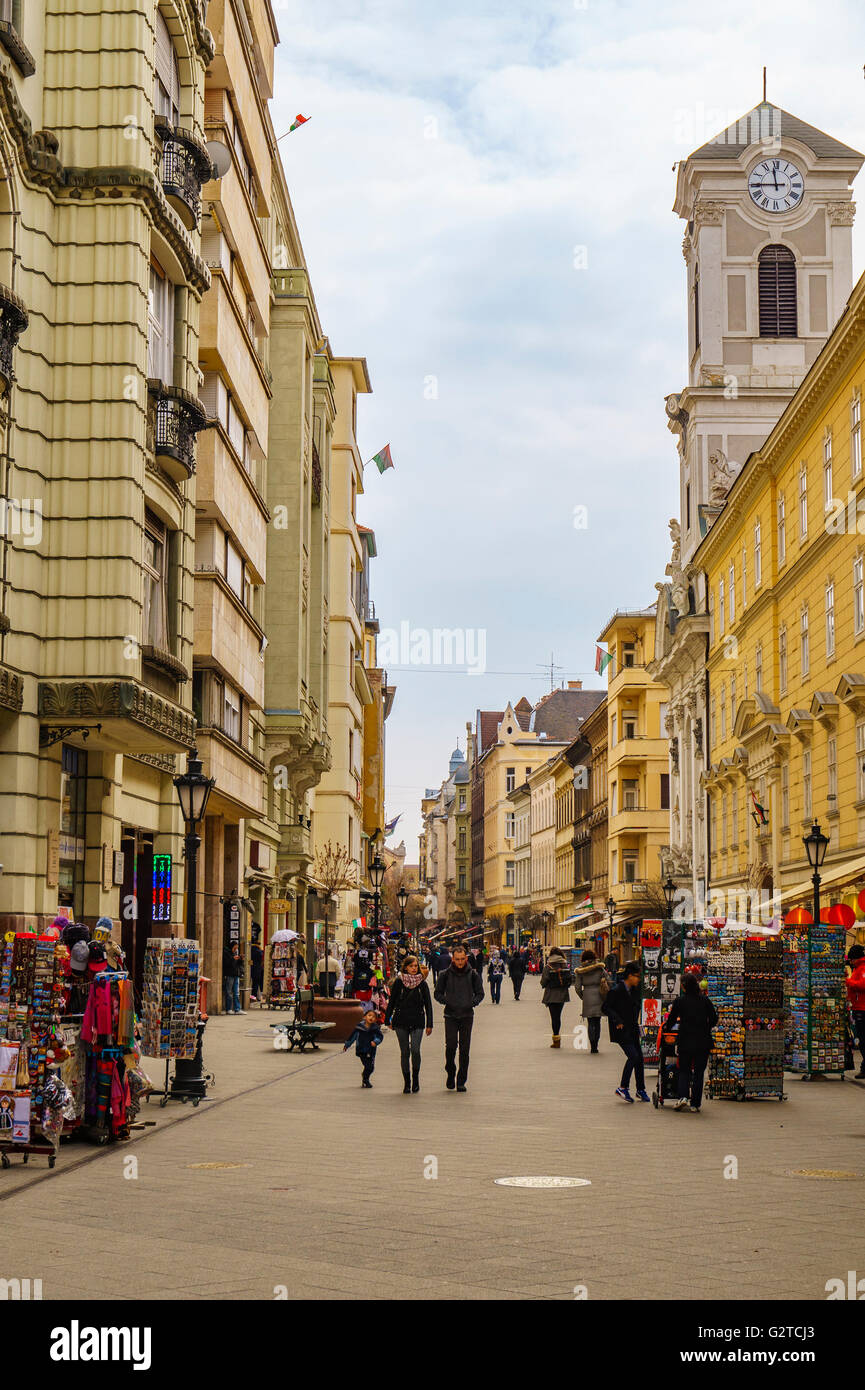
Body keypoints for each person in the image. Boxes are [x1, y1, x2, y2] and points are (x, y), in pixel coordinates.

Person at [663, 972, 719, 1111]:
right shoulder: (704, 1000)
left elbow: (671, 1020)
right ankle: (695, 1104)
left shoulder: (680, 1001)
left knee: (684, 1070)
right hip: (702, 1041)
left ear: (684, 986)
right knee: (699, 1073)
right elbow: (714, 1018)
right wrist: (706, 1026)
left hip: (685, 1041)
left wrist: (666, 1028)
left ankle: (682, 1097)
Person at [434, 944, 484, 1091]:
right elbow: (437, 993)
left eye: (462, 959)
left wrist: (472, 1003)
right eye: (457, 959)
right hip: (450, 1015)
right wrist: (446, 1001)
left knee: (464, 1049)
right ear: (453, 959)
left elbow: (480, 993)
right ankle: (450, 1071)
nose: (460, 962)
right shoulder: (445, 974)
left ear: (466, 959)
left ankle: (461, 1080)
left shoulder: (473, 974)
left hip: (467, 1015)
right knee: (450, 1047)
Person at [385, 954, 434, 1092]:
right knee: (405, 1052)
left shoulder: (422, 984)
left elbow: (428, 1005)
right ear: (405, 968)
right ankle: (407, 1082)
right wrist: (387, 1018)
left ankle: (416, 1079)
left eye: (415, 966)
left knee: (415, 1050)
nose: (414, 968)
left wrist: (430, 1024)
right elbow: (392, 1001)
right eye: (411, 966)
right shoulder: (399, 983)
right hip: (401, 1021)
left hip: (418, 1020)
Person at [604, 960, 649, 1103]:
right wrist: (617, 1020)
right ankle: (623, 1087)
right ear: (629, 976)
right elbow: (605, 1007)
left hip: (633, 1028)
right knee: (633, 1056)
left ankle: (640, 1089)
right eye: (636, 976)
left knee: (639, 1059)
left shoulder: (635, 990)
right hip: (622, 1030)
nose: (638, 979)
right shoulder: (616, 990)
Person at [540, 947, 574, 1047]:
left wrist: (544, 984)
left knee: (554, 1017)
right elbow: (569, 979)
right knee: (558, 1016)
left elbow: (544, 981)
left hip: (551, 995)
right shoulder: (565, 964)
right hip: (562, 994)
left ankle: (556, 1039)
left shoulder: (548, 966)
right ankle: (557, 1038)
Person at [575, 949, 607, 1053]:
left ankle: (592, 1042)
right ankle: (595, 1045)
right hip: (599, 994)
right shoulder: (600, 968)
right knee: (597, 1021)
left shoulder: (580, 971)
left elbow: (577, 987)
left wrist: (583, 996)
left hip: (587, 995)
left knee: (590, 1022)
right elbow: (608, 979)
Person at [343, 1010, 384, 1088]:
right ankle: (366, 1080)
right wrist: (347, 1045)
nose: (371, 1017)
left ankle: (365, 1077)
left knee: (371, 1068)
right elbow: (352, 1037)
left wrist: (375, 1042)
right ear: (364, 1017)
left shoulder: (375, 1028)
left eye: (373, 1017)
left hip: (371, 1050)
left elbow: (380, 1037)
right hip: (361, 1049)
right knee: (367, 1065)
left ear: (375, 1020)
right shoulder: (359, 1027)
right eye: (369, 1015)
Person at [845, 944, 865, 1078]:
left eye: (851, 960)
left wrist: (848, 982)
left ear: (855, 958)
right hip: (858, 1007)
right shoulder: (858, 968)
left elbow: (862, 985)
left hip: (863, 1009)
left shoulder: (863, 968)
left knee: (863, 1039)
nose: (850, 962)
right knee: (862, 1039)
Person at [222, 941, 244, 1015]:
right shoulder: (226, 953)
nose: (236, 949)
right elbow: (226, 963)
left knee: (236, 993)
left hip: (236, 974)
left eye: (237, 948)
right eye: (235, 947)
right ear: (232, 946)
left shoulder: (235, 953)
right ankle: (228, 1009)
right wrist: (233, 958)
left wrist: (240, 959)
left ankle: (237, 1009)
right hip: (229, 974)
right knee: (229, 992)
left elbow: (238, 964)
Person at [249, 932, 264, 1004]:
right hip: (258, 969)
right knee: (257, 983)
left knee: (252, 983)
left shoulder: (250, 950)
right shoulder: (259, 951)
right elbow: (261, 959)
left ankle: (253, 996)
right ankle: (255, 996)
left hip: (251, 968)